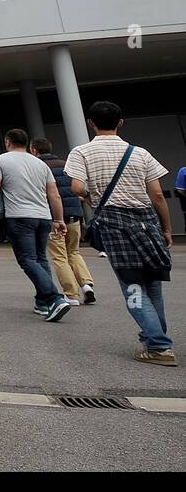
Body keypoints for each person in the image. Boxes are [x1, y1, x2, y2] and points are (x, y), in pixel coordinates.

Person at [65, 101, 174, 366]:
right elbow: (157, 194)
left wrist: (92, 197)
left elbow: (77, 186)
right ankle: (155, 341)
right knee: (153, 285)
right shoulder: (140, 153)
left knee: (134, 286)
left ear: (91, 123)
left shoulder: (82, 152)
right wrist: (167, 228)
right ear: (120, 122)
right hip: (148, 222)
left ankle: (159, 347)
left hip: (115, 223)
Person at [0, 129, 70, 323]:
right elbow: (54, 194)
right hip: (44, 217)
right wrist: (59, 219)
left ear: (8, 142)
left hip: (19, 216)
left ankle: (54, 298)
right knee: (41, 259)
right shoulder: (40, 164)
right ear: (27, 143)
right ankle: (43, 304)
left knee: (27, 260)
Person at [31, 137, 93, 307]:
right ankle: (86, 285)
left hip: (56, 218)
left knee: (59, 257)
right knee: (74, 252)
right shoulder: (67, 164)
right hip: (75, 214)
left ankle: (71, 294)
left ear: (34, 151)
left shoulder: (38, 167)